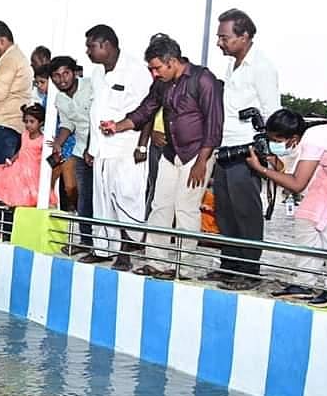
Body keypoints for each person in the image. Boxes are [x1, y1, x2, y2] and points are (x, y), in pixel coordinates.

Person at [102, 34, 224, 279]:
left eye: (157, 68)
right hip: (171, 153)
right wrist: (118, 125)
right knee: (160, 206)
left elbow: (214, 125)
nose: (155, 74)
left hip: (197, 154)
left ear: (172, 61)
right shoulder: (162, 83)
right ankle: (157, 263)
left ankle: (185, 268)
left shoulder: (204, 80)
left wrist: (202, 162)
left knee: (186, 209)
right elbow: (145, 110)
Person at [247, 111, 327, 309]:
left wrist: (261, 169)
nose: (274, 143)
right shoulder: (305, 138)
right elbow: (289, 172)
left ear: (293, 138)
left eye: (277, 140)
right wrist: (272, 162)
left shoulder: (313, 139)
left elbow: (297, 183)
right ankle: (304, 284)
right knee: (306, 219)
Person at [210, 8, 280, 290]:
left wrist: (266, 153)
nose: (219, 42)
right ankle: (230, 265)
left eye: (224, 37)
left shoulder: (262, 67)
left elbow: (272, 112)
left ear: (244, 36)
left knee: (246, 212)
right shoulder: (232, 65)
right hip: (225, 146)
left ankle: (249, 271)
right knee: (224, 210)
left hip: (247, 150)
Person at [82, 24, 152, 269]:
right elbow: (95, 112)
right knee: (101, 202)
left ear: (106, 45)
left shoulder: (136, 71)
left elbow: (149, 111)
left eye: (91, 46)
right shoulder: (98, 73)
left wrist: (143, 146)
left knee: (126, 199)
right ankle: (102, 249)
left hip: (126, 148)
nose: (87, 51)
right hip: (102, 149)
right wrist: (91, 148)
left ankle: (126, 252)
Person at [0, 21, 33, 168]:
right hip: (8, 127)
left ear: (2, 41)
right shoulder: (14, 57)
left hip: (3, 127)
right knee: (6, 179)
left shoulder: (9, 59)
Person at [0, 104, 54, 207]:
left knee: (32, 193)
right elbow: (22, 150)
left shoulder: (43, 140)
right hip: (19, 166)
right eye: (26, 122)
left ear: (41, 123)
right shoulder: (25, 134)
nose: (28, 125)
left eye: (32, 122)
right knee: (15, 189)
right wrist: (11, 160)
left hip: (33, 170)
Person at [49, 56, 91, 218]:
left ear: (74, 73)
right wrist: (58, 143)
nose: (62, 79)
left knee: (103, 197)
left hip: (101, 148)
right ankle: (85, 238)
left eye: (66, 73)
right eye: (56, 76)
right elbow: (67, 124)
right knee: (82, 195)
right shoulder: (60, 98)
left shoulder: (90, 86)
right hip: (80, 150)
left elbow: (98, 117)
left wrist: (92, 147)